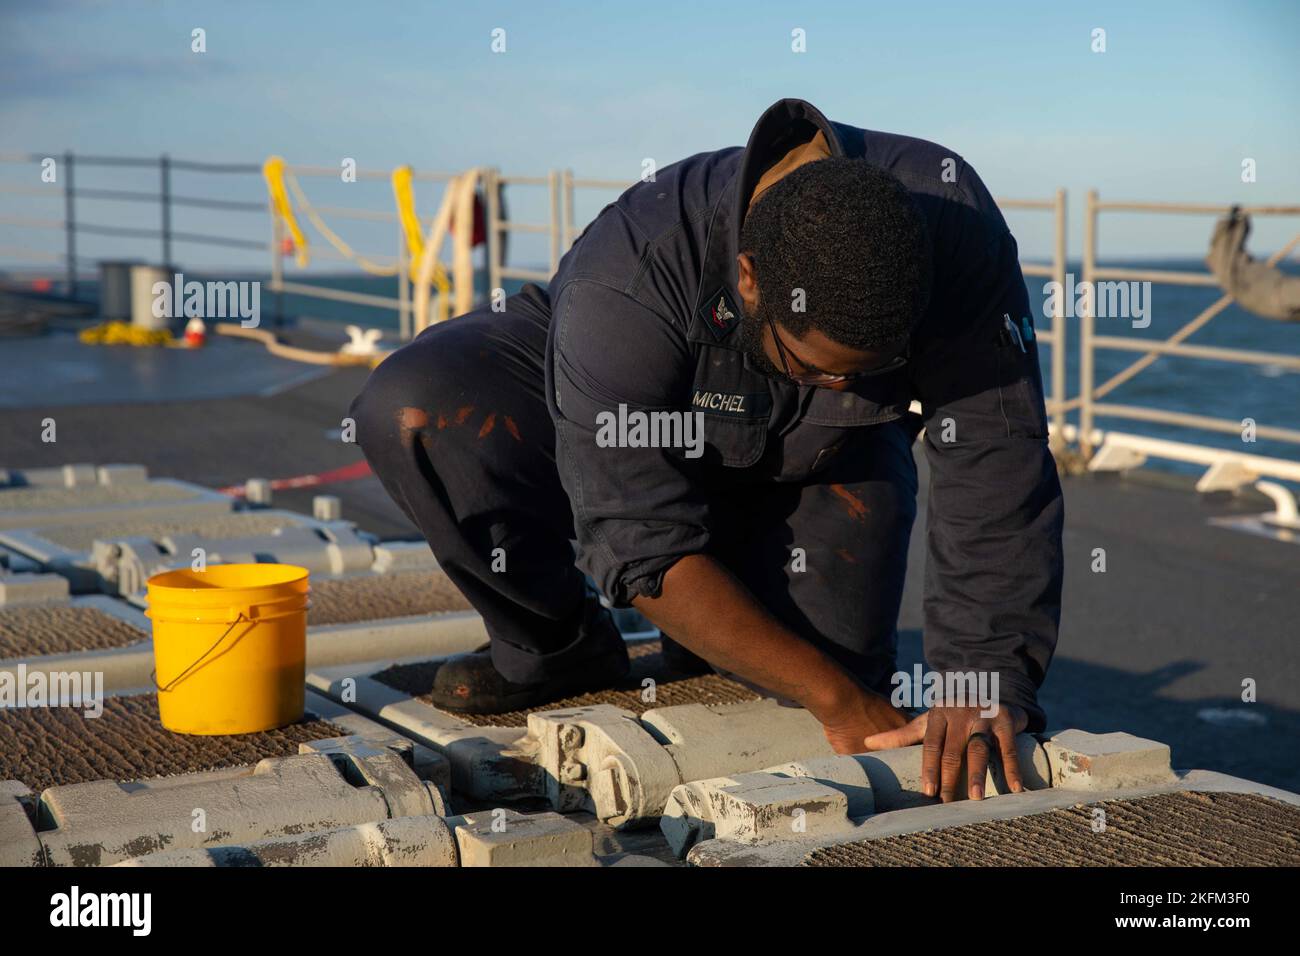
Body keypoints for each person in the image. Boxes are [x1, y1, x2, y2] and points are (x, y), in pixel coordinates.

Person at [351, 98, 1064, 802]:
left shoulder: (954, 226)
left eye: (868, 369)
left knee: (833, 707)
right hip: (636, 418)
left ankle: (721, 629)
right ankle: (558, 647)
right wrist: (833, 697)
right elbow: (639, 540)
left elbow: (996, 457)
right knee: (415, 410)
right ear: (748, 279)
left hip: (823, 458)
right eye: (819, 366)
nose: (841, 382)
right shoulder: (630, 274)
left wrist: (984, 677)